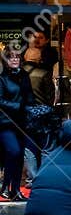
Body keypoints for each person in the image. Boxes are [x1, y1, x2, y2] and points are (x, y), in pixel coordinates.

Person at [0, 45, 29, 200]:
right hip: (5, 123)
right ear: (5, 60)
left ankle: (15, 190)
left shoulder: (24, 76)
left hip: (21, 122)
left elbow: (29, 96)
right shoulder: (2, 79)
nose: (15, 59)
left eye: (17, 57)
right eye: (11, 57)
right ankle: (5, 186)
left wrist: (33, 108)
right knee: (13, 151)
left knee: (19, 156)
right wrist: (18, 106)